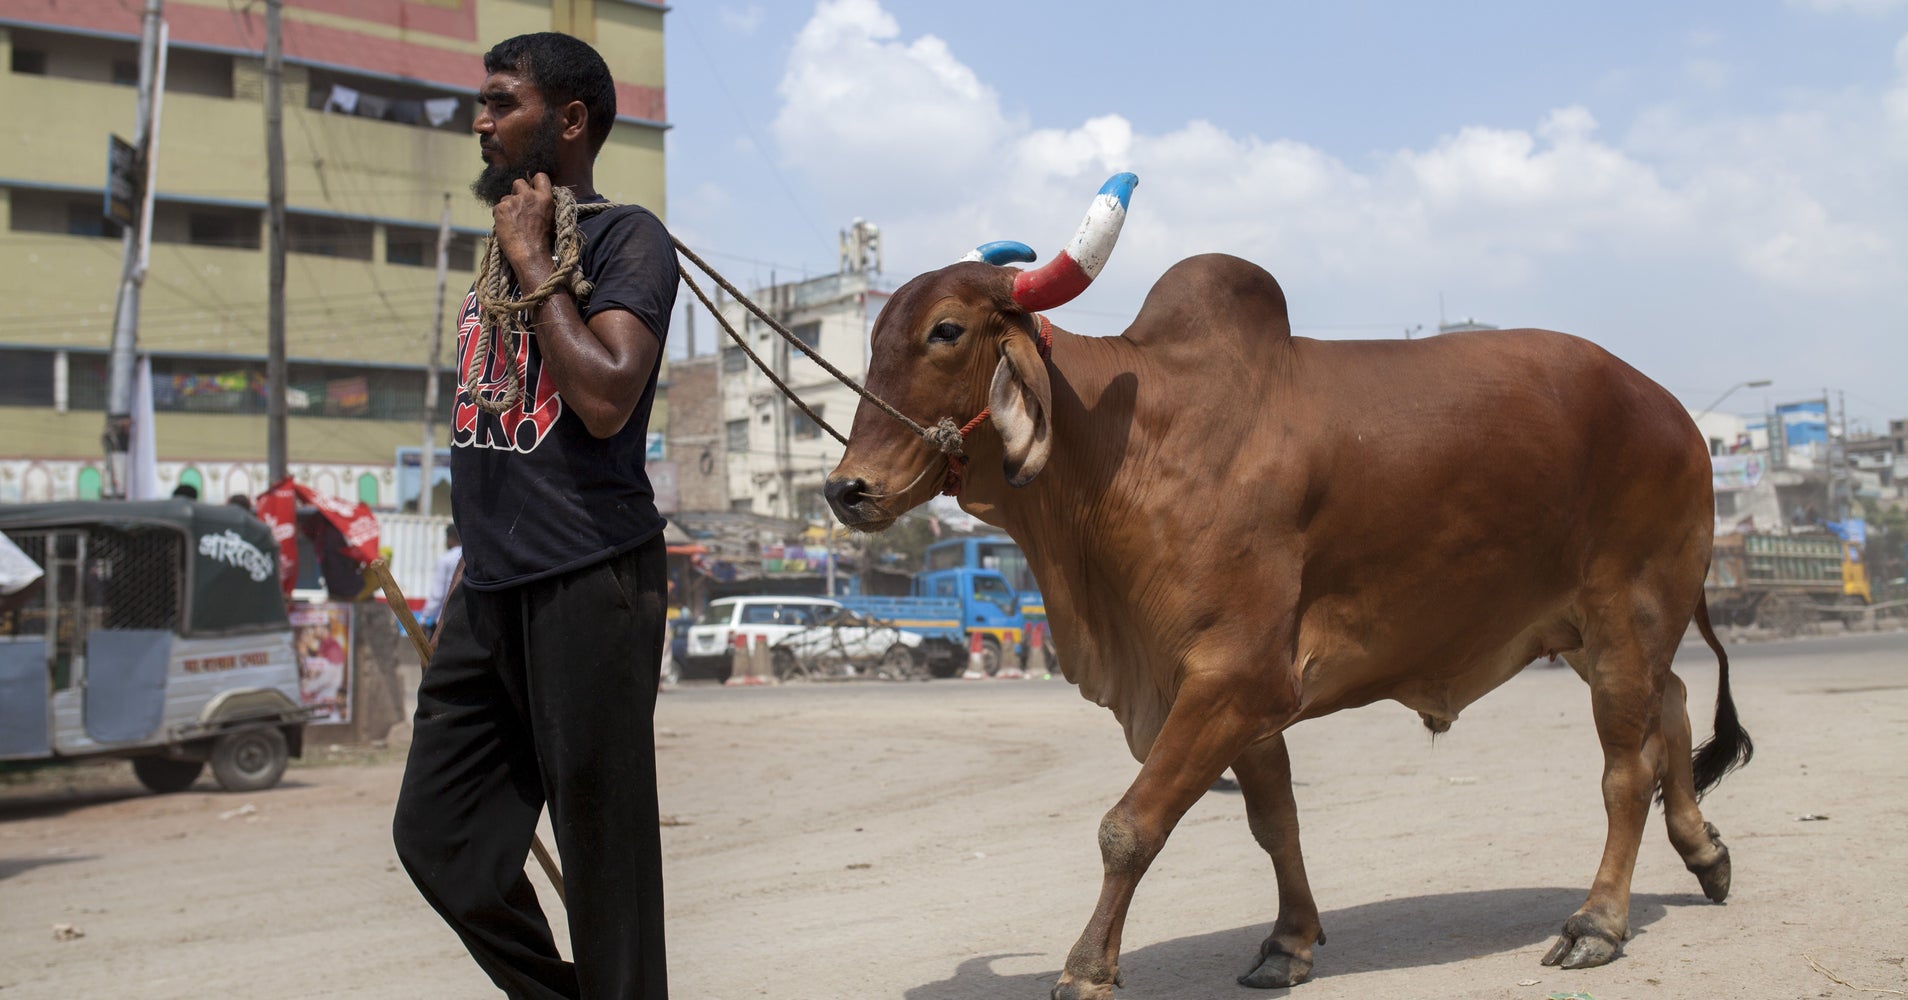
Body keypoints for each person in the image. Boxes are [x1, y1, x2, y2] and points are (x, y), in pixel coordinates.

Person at [391, 31, 676, 1000]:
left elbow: (605, 396)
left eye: (500, 102)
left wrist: (531, 260)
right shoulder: (498, 257)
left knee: (605, 865)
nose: (480, 121)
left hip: (591, 579)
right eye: (480, 102)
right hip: (493, 587)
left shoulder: (625, 238)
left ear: (569, 120)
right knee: (437, 834)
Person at [418, 525, 462, 629]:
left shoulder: (445, 560)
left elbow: (437, 595)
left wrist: (424, 618)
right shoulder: (470, 558)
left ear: (450, 538)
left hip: (443, 623)